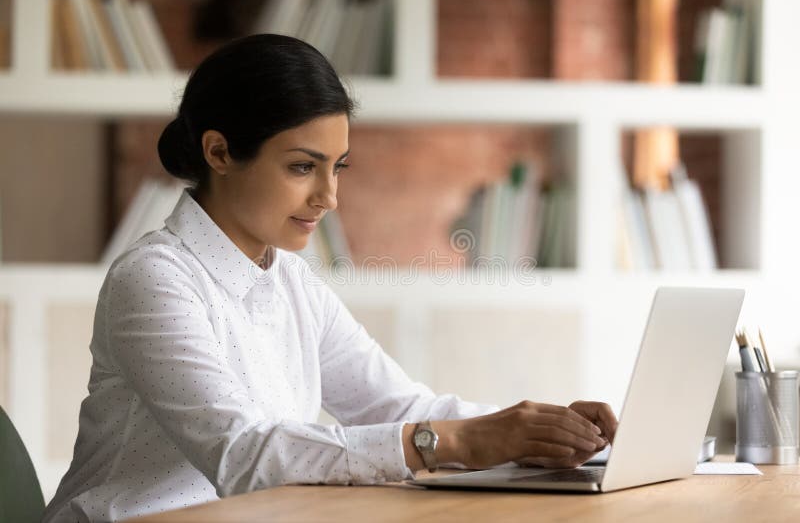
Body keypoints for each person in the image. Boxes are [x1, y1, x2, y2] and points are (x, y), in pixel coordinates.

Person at [43, 34, 617, 522]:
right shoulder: (153, 279)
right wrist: (461, 441)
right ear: (218, 152)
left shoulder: (293, 282)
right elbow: (244, 457)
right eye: (301, 167)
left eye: (336, 167)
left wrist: (545, 433)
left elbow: (397, 406)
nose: (329, 196)